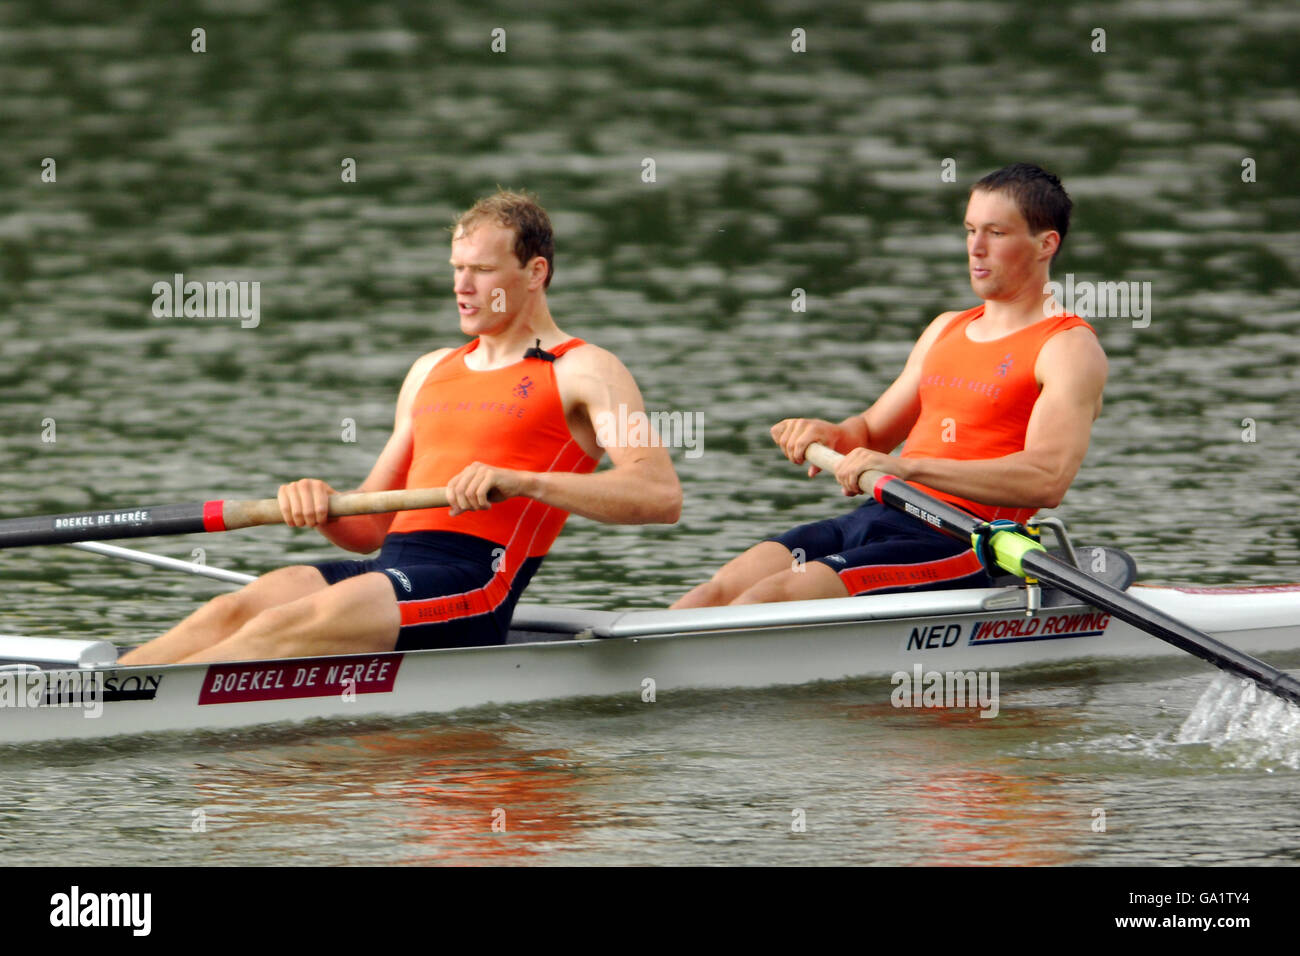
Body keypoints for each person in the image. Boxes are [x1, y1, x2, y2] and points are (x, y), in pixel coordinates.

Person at [122, 190, 681, 665]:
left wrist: (524, 481)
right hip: (391, 570)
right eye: (456, 269)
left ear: (535, 272)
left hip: (476, 584)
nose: (463, 286)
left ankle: (130, 710)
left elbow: (658, 495)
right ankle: (98, 690)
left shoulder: (584, 369)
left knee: (287, 625)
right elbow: (370, 526)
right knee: (240, 608)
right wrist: (320, 504)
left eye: (483, 271)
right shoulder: (430, 370)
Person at [673, 163, 1107, 609]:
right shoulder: (945, 328)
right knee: (716, 593)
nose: (975, 249)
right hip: (881, 513)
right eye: (970, 230)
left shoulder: (1067, 348)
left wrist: (909, 469)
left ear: (1045, 244)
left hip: (963, 540)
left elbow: (1046, 479)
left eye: (996, 233)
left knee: (769, 597)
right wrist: (830, 434)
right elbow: (869, 434)